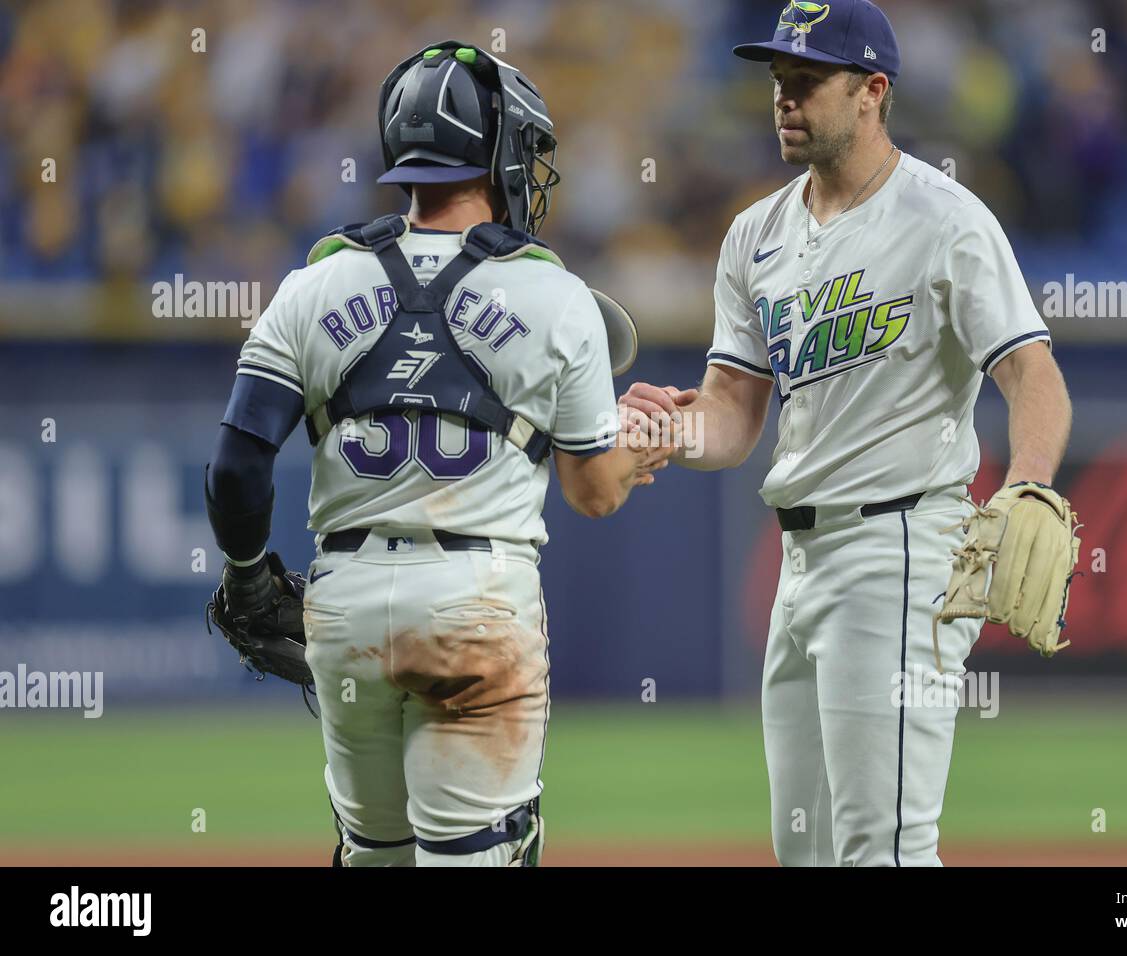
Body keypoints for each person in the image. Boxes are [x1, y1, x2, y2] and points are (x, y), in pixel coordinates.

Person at [619, 1, 1073, 866]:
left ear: (873, 90)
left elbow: (1033, 374)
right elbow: (732, 416)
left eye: (808, 81)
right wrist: (667, 432)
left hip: (900, 545)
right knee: (811, 853)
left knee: (884, 851)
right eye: (778, 81)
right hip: (800, 566)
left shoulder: (946, 219)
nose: (785, 98)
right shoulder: (755, 234)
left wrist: (1030, 482)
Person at [204, 41, 668, 867]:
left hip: (344, 605)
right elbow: (594, 491)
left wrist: (246, 577)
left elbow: (238, 468)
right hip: (476, 601)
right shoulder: (555, 294)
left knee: (374, 853)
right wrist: (637, 449)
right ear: (496, 152)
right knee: (479, 854)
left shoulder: (314, 282)